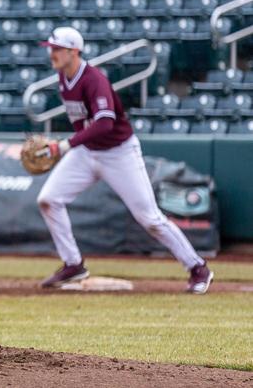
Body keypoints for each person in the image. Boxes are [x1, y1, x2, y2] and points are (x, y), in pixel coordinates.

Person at [34, 27, 213, 293]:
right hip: (86, 152)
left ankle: (198, 268)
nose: (52, 53)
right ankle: (73, 264)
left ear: (74, 52)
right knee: (48, 199)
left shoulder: (94, 80)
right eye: (51, 48)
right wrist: (67, 145)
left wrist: (63, 145)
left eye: (57, 48)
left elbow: (105, 123)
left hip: (118, 152)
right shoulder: (63, 77)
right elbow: (86, 123)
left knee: (150, 218)